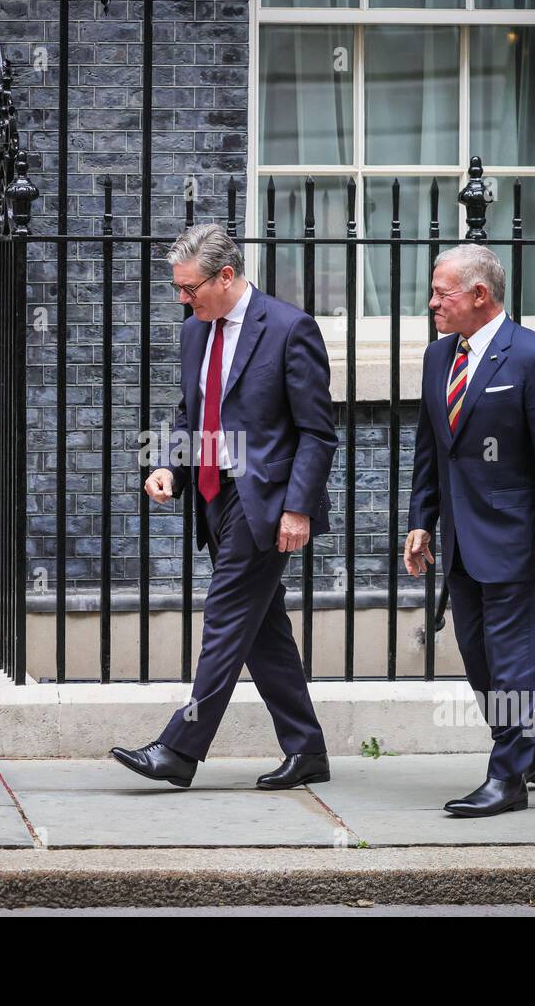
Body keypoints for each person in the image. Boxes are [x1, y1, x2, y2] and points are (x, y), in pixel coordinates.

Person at [111, 223, 337, 790]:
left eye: (189, 289)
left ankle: (180, 748)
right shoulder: (196, 332)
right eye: (179, 289)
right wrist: (167, 465)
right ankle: (306, 749)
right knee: (263, 631)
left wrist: (298, 509)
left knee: (227, 614)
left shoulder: (289, 329)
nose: (182, 299)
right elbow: (193, 413)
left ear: (227, 276)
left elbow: (317, 432)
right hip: (213, 497)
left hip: (263, 501)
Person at [405, 244, 535, 818]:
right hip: (458, 540)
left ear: (480, 295)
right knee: (479, 660)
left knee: (512, 664)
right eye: (433, 292)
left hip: (518, 542)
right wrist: (420, 521)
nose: (433, 302)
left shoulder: (533, 356)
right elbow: (433, 448)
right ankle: (525, 746)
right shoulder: (437, 358)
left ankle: (507, 778)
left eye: (442, 292)